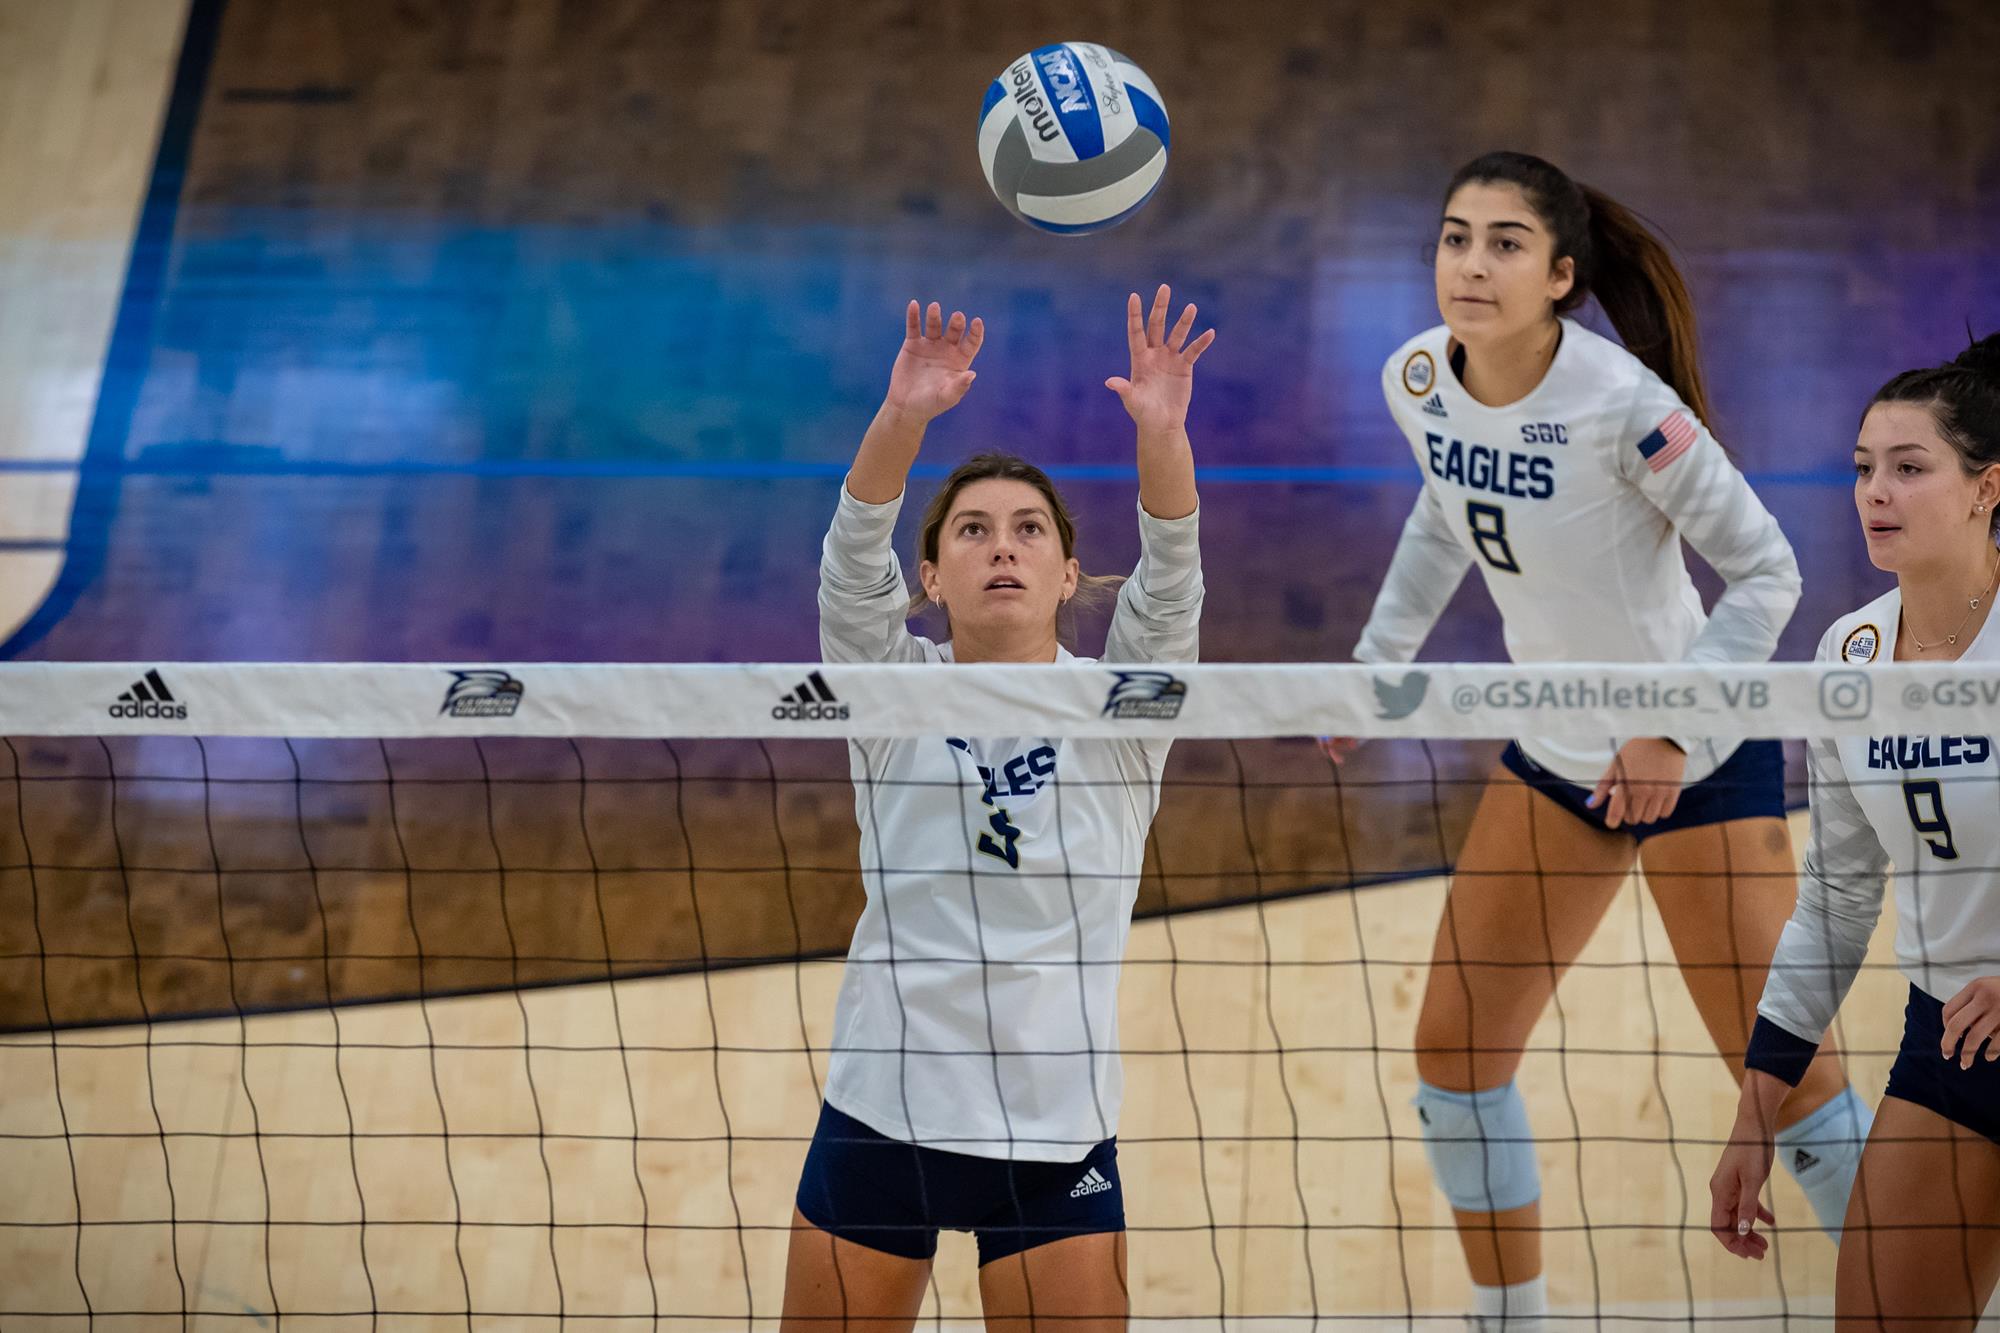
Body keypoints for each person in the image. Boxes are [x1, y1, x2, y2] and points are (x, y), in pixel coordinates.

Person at [1329, 151, 1871, 1330]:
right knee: (1453, 1060)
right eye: (1454, 236)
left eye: (1505, 242)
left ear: (1560, 275)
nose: (1470, 264)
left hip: (1699, 760)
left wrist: (1667, 729)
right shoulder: (1416, 376)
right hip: (1554, 756)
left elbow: (1767, 571)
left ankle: (1928, 1303)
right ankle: (1510, 1315)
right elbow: (1443, 507)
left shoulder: (1625, 405)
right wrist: (1376, 668)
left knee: (1785, 1087)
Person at [780, 287, 1214, 1332]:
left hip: (1053, 1136)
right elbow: (847, 567)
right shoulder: (890, 690)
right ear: (930, 576)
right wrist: (903, 418)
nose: (1001, 546)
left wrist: (1161, 433)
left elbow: (1170, 577)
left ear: (1068, 573)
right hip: (882, 1116)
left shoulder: (1120, 709)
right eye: (971, 530)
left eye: (1027, 531)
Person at [1712, 332, 2000, 1329]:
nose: (1875, 491)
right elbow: (1834, 899)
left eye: (1908, 468)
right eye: (1862, 469)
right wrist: (1754, 1115)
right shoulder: (1850, 654)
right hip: (1954, 1048)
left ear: (1984, 487)